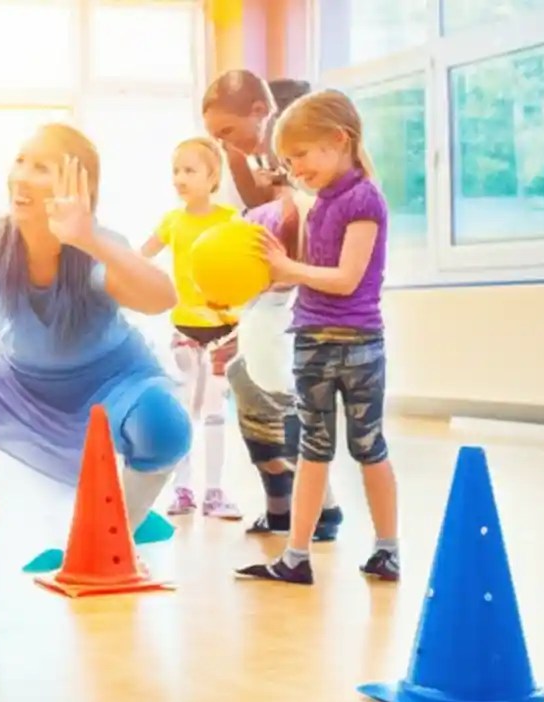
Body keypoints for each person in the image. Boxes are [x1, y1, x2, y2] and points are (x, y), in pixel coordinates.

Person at [0, 123, 191, 557]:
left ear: (79, 186)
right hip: (15, 376)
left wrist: (87, 237)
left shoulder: (96, 247)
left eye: (41, 167)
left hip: (109, 377)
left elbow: (161, 298)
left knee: (165, 427)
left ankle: (116, 532)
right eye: (20, 160)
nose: (20, 175)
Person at [236, 89, 400, 585]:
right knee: (313, 448)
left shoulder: (363, 198)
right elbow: (313, 271)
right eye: (288, 160)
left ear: (338, 139)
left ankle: (387, 548)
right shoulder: (321, 202)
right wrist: (273, 274)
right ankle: (295, 555)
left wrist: (289, 267)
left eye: (301, 155)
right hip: (311, 338)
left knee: (368, 444)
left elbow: (346, 278)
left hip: (357, 343)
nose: (295, 168)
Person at [202, 70, 344, 540]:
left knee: (288, 402)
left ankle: (322, 507)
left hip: (298, 315)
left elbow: (281, 257)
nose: (225, 144)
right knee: (247, 383)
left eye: (226, 132)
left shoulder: (300, 192)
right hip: (270, 312)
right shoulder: (266, 177)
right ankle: (281, 504)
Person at [140, 137, 242, 518]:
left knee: (215, 411)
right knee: (185, 410)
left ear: (212, 175)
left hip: (223, 331)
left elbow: (247, 264)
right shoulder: (172, 221)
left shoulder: (231, 220)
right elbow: (140, 257)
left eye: (189, 170)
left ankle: (214, 492)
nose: (179, 178)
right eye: (175, 170)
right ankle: (182, 490)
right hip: (185, 328)